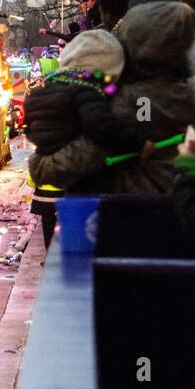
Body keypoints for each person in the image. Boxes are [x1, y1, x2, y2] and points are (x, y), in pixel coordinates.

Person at [29, 1, 195, 196]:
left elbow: (55, 169)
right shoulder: (184, 93)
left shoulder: (132, 101)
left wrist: (38, 163)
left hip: (138, 212)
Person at [23, 30, 143, 244]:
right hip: (80, 180)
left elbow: (31, 129)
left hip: (52, 177)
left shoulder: (52, 86)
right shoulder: (87, 90)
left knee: (62, 232)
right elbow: (102, 126)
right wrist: (137, 143)